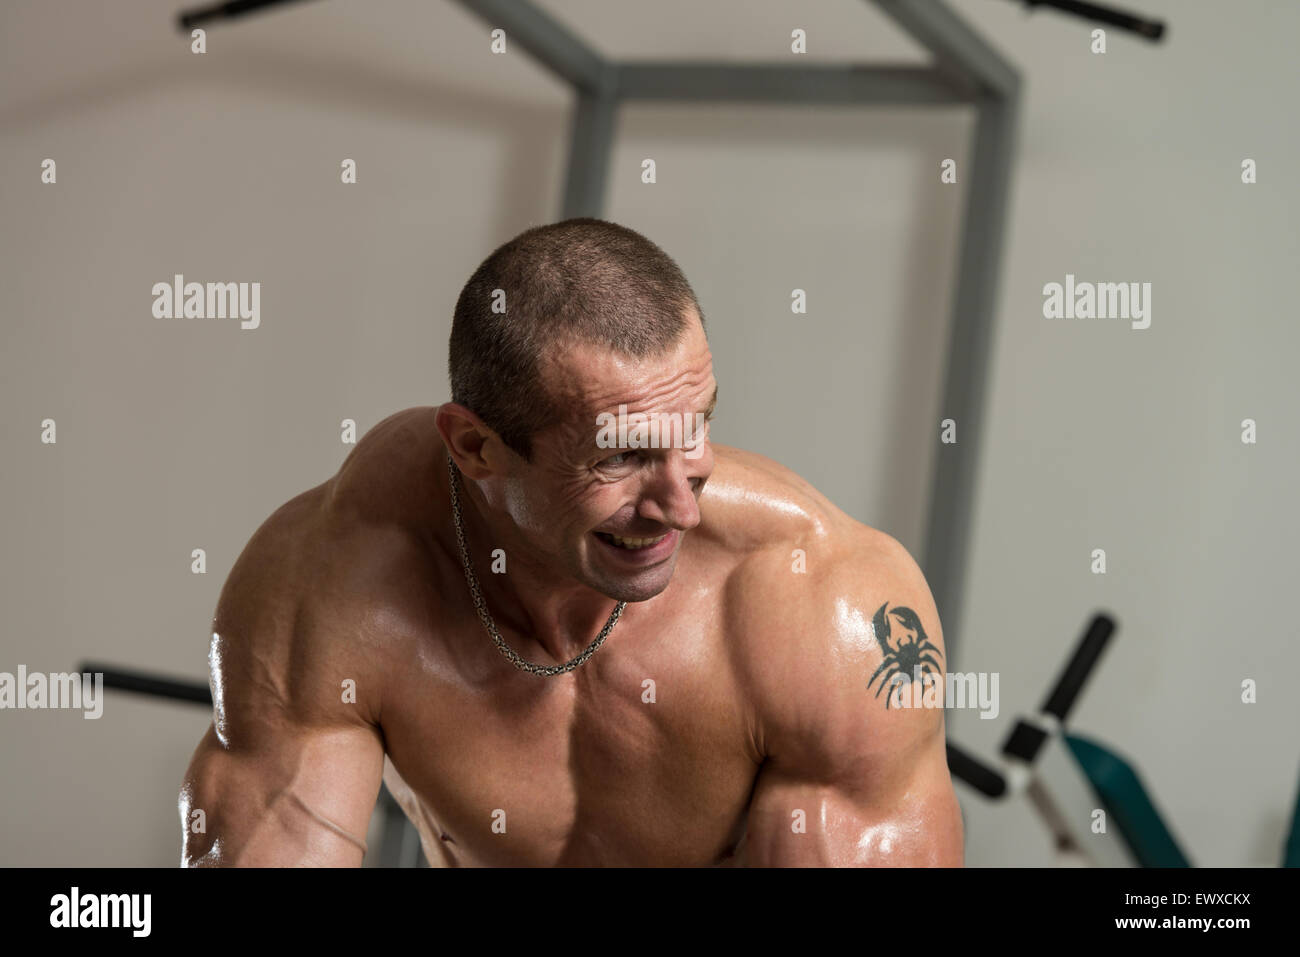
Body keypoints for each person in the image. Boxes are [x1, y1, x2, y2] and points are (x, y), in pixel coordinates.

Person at [179, 218, 962, 866]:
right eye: (619, 456)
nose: (680, 507)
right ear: (476, 449)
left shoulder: (823, 609)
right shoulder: (334, 584)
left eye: (696, 431)